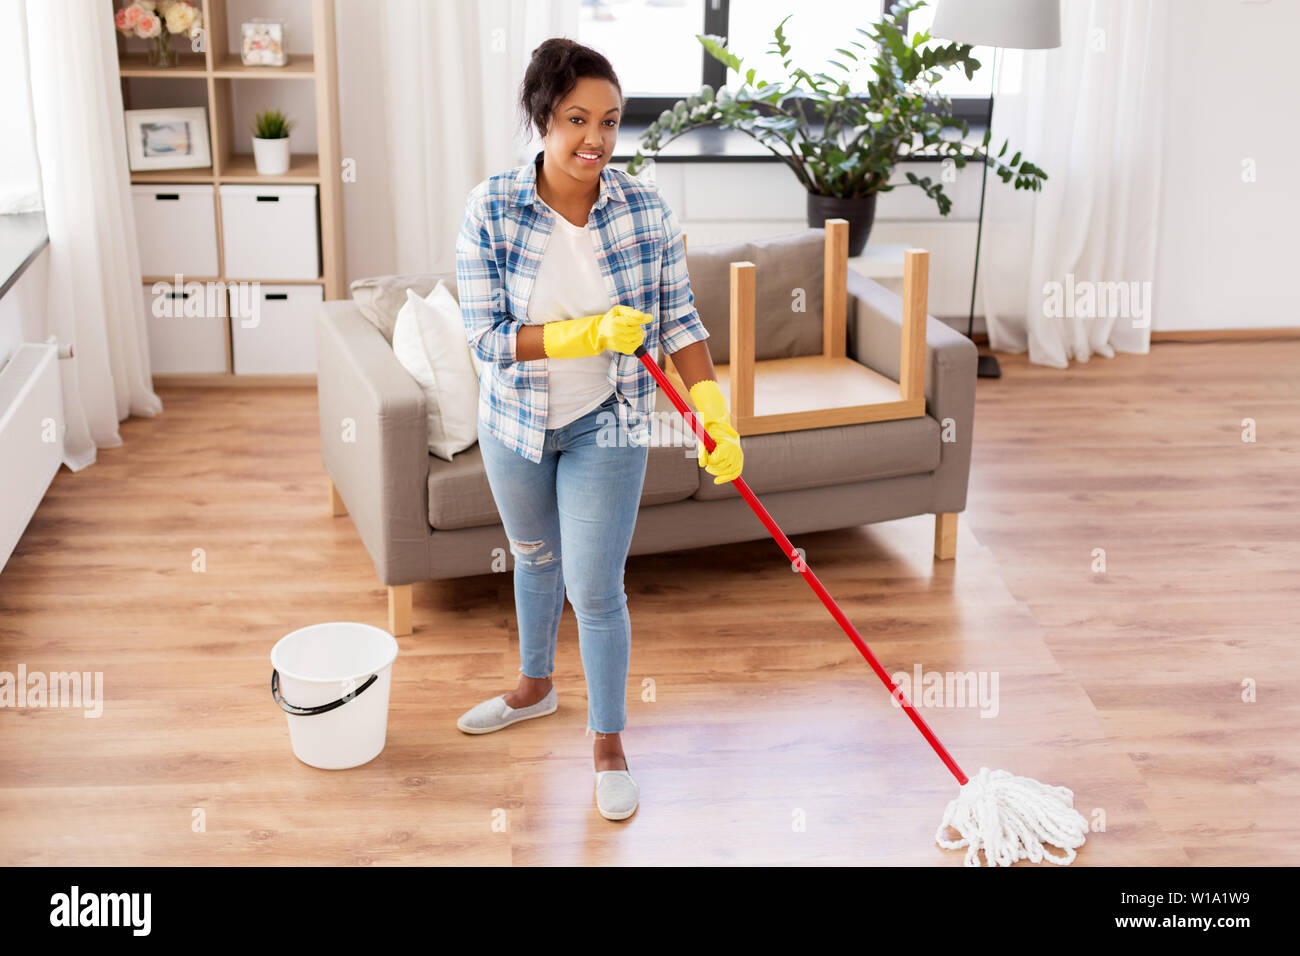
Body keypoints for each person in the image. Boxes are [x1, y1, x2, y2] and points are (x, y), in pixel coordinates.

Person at [453, 37, 744, 821]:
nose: (597, 139)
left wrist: (712, 411)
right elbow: (484, 338)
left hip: (605, 420)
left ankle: (608, 742)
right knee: (533, 557)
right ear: (542, 117)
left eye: (611, 121)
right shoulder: (492, 208)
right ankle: (534, 687)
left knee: (595, 587)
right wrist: (581, 334)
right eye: (578, 118)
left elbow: (680, 321)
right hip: (514, 420)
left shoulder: (643, 207)